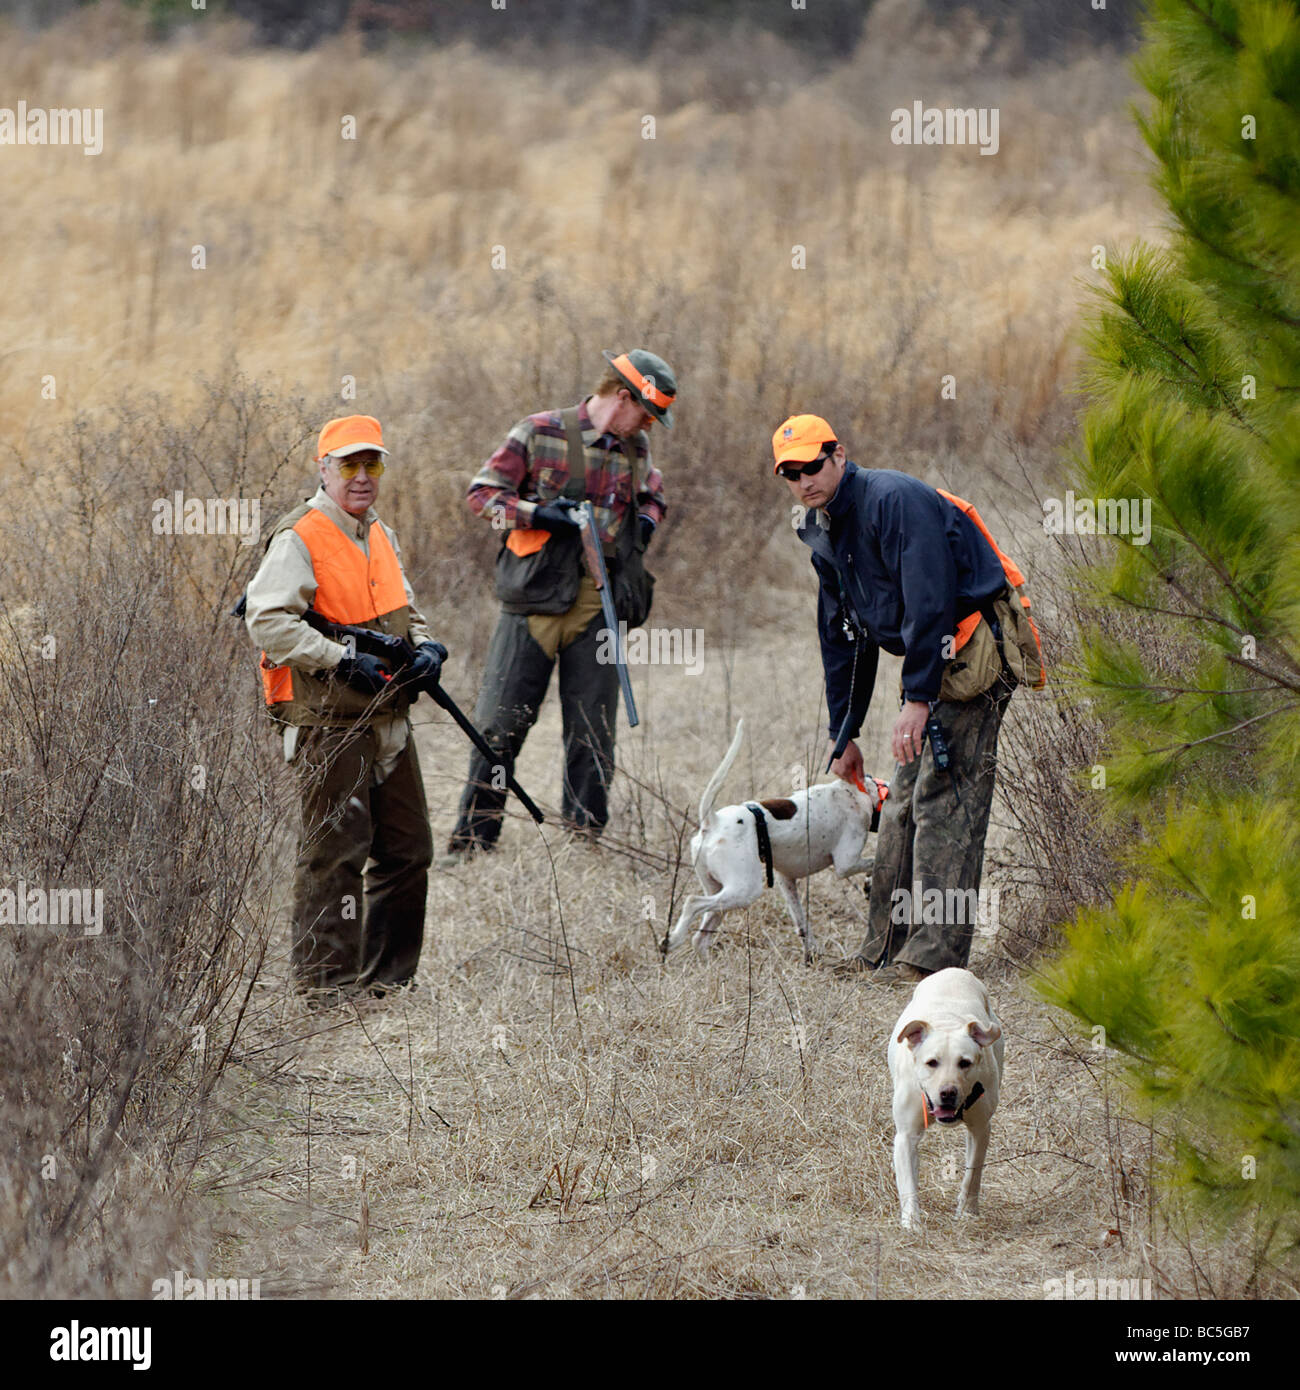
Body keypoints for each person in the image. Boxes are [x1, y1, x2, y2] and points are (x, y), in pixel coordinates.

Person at [773, 413, 1019, 983]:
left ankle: (932, 960)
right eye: (790, 472)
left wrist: (917, 696)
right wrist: (845, 733)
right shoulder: (824, 531)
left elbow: (930, 599)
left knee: (944, 799)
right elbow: (841, 636)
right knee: (902, 804)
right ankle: (882, 949)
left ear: (838, 455)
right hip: (932, 665)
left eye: (812, 464)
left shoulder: (893, 499)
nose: (804, 479)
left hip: (971, 649)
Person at [443, 349, 675, 860]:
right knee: (499, 726)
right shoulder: (538, 431)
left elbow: (653, 494)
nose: (650, 427)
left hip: (598, 606)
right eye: (647, 413)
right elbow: (481, 498)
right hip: (532, 604)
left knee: (594, 731)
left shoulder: (636, 449)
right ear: (622, 397)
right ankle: (473, 843)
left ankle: (584, 840)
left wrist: (646, 523)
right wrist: (539, 514)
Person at [245, 414, 444, 1004]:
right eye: (349, 465)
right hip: (329, 720)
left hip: (388, 715)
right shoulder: (299, 536)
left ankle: (388, 980)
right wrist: (338, 658)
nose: (362, 477)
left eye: (372, 464)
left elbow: (403, 613)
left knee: (409, 851)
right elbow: (268, 622)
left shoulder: (378, 531)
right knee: (335, 854)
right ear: (323, 468)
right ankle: (324, 987)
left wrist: (427, 647)